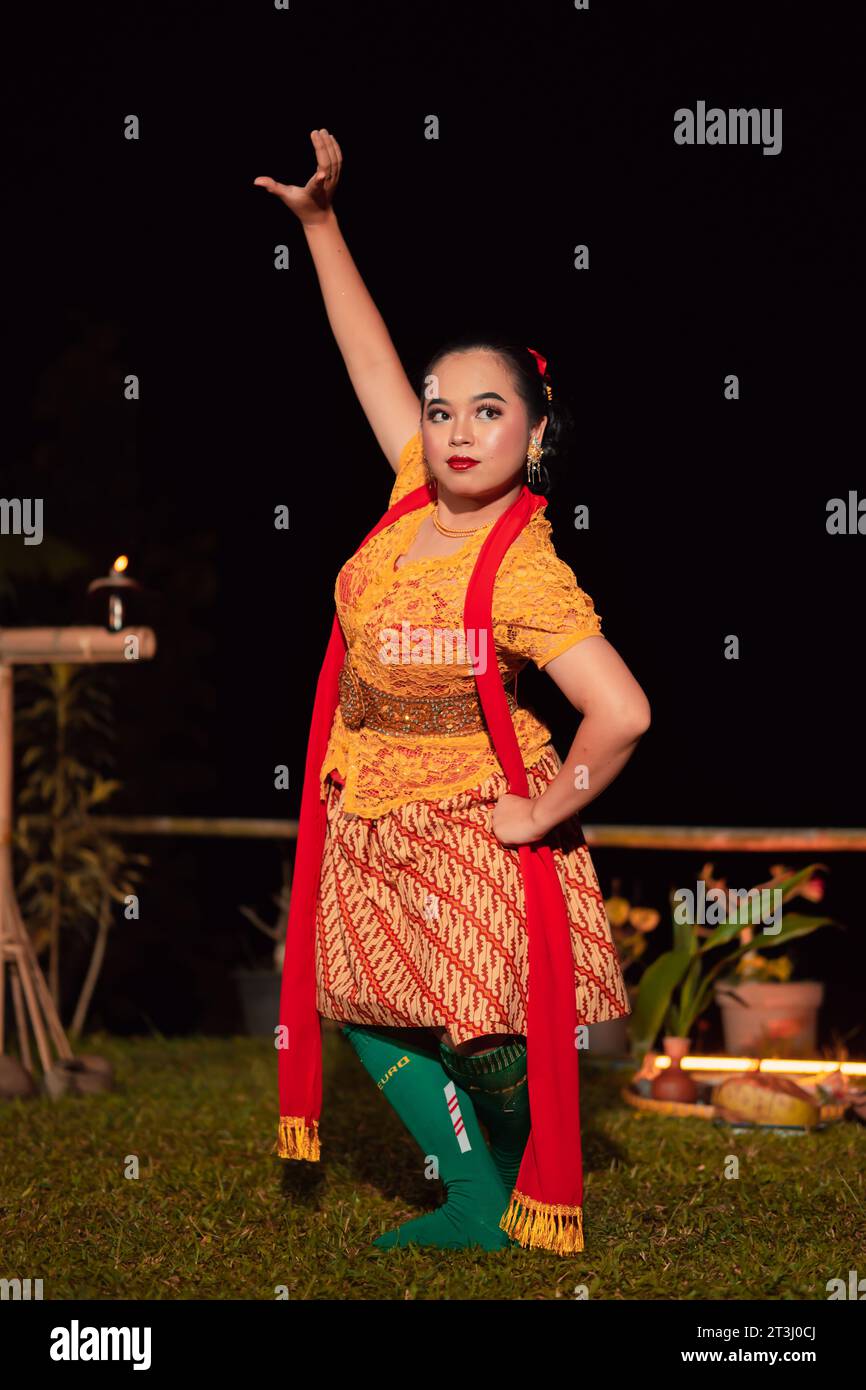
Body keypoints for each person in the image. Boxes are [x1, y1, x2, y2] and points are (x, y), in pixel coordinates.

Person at [256, 130, 651, 1256]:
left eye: (488, 410)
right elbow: (369, 359)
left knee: (489, 1039)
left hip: (473, 815)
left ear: (531, 436)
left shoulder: (521, 560)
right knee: (362, 1005)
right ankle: (474, 1195)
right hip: (361, 802)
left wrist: (539, 811)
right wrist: (321, 228)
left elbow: (618, 709)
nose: (456, 429)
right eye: (442, 410)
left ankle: (529, 1163)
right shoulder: (404, 499)